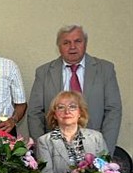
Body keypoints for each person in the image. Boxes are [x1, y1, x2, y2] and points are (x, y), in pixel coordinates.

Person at [27, 25, 121, 154]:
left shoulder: (105, 69)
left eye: (78, 41)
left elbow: (113, 111)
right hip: (55, 151)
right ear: (59, 47)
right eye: (66, 43)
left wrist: (105, 151)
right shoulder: (44, 72)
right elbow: (34, 113)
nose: (72, 47)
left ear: (85, 43)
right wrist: (42, 149)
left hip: (95, 147)